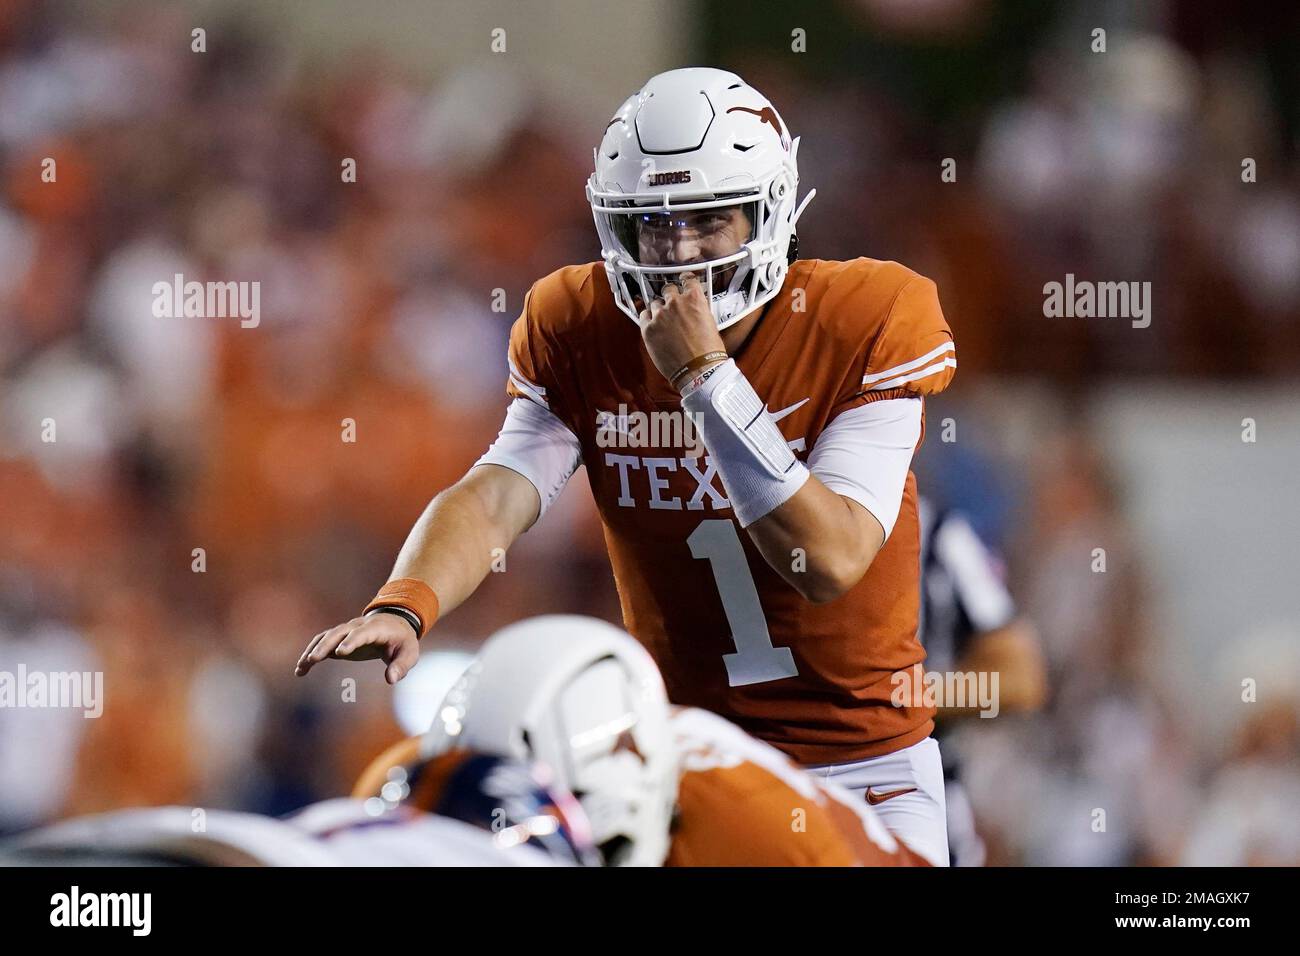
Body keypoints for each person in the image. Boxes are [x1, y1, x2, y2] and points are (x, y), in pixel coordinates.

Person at [298, 68, 957, 865]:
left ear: (769, 210)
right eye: (653, 224)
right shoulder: (577, 322)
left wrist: (705, 380)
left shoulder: (869, 316)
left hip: (858, 767)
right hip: (666, 760)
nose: (677, 254)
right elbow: (500, 490)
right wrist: (406, 602)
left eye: (708, 220)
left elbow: (829, 558)